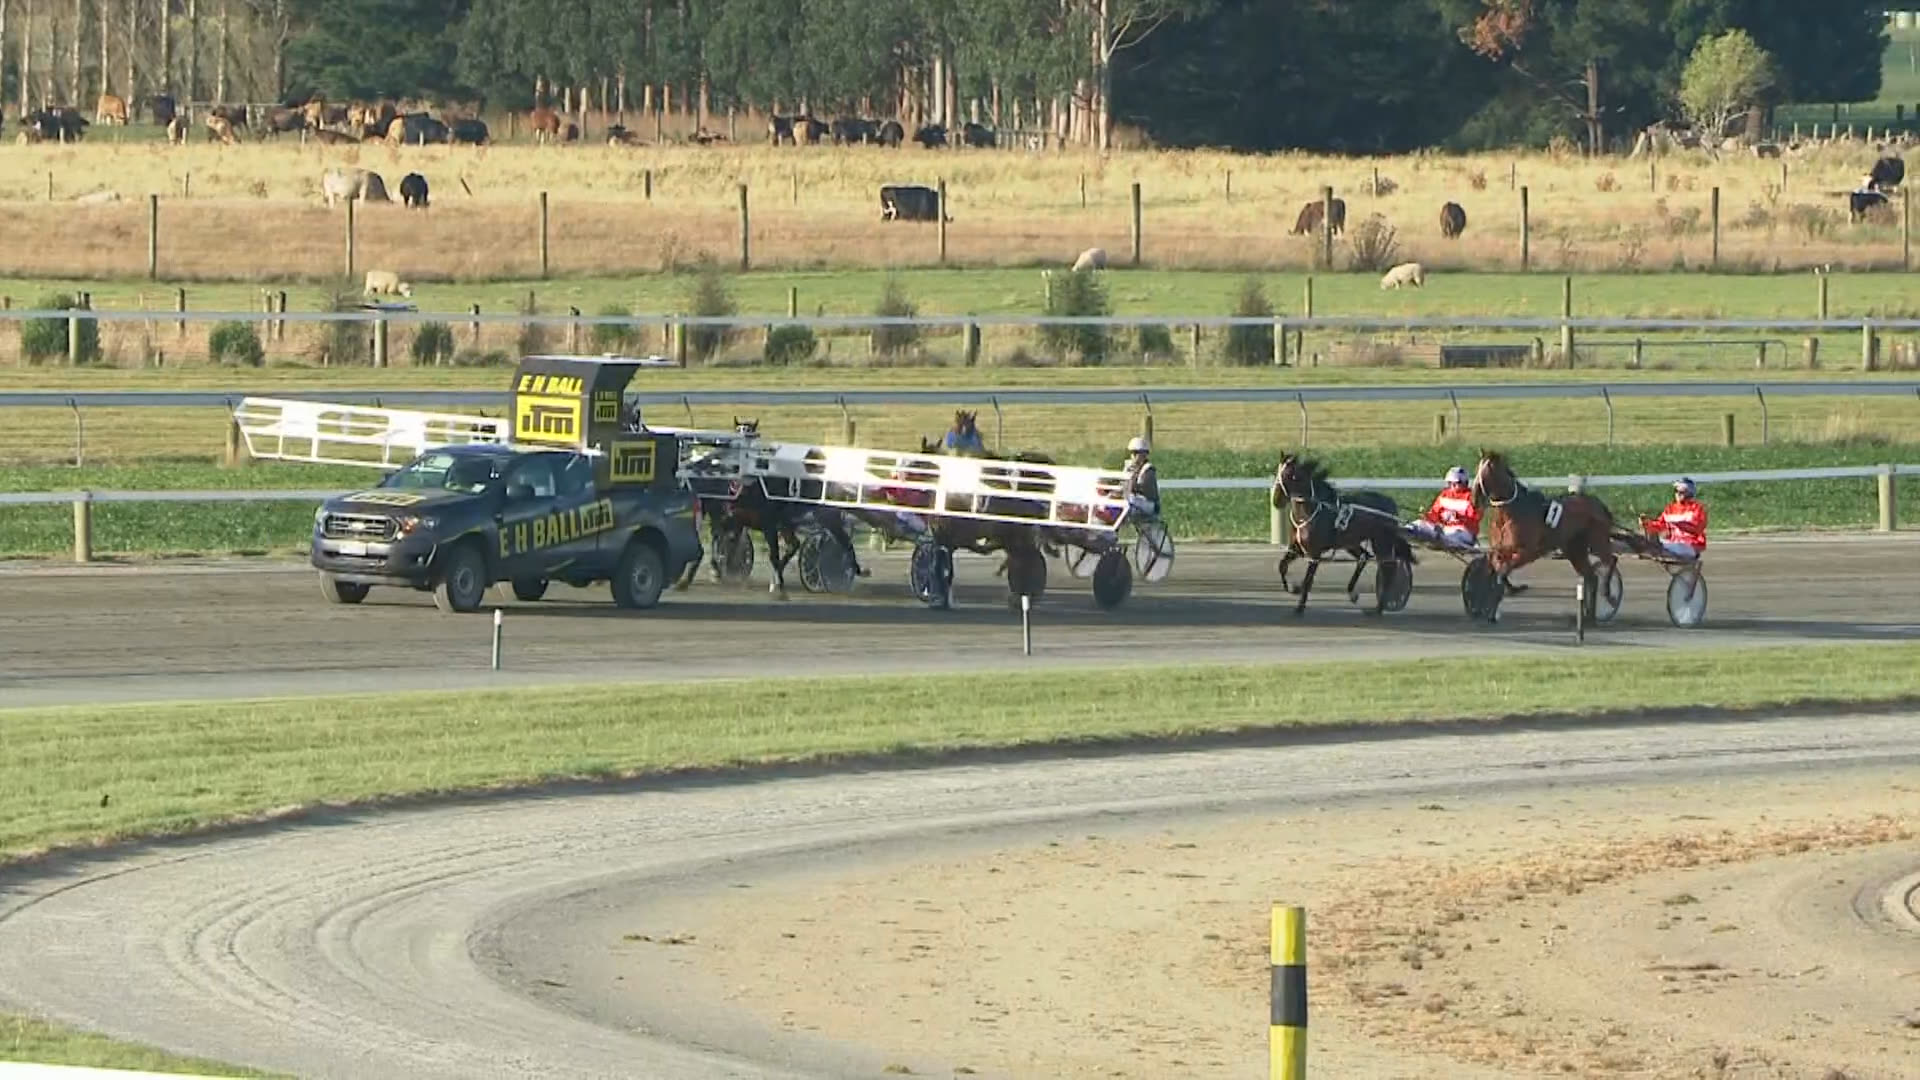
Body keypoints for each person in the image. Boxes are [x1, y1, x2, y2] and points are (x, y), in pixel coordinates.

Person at [1406, 466, 1480, 550]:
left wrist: (1458, 517)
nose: (1452, 485)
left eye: (1456, 483)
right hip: (1443, 530)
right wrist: (1426, 515)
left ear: (1464, 482)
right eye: (1450, 482)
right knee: (1418, 524)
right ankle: (1404, 533)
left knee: (1451, 536)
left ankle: (1440, 542)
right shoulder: (1444, 495)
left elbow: (1475, 518)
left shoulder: (1471, 497)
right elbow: (1434, 515)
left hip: (1462, 531)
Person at [1643, 478, 1707, 560]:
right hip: (1673, 543)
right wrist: (1647, 524)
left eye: (1681, 492)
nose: (1678, 494)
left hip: (1691, 546)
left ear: (1690, 493)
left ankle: (1658, 549)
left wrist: (1679, 524)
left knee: (1664, 546)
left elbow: (1697, 528)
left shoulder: (1697, 508)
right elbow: (1660, 524)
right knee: (1652, 543)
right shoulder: (1670, 508)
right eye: (1676, 491)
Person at [1123, 436, 1160, 518]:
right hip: (1135, 500)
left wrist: (1130, 483)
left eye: (1136, 453)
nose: (1133, 456)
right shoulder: (1128, 467)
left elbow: (1145, 490)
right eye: (1132, 453)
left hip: (1149, 503)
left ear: (1145, 454)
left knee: (1129, 500)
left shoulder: (1148, 469)